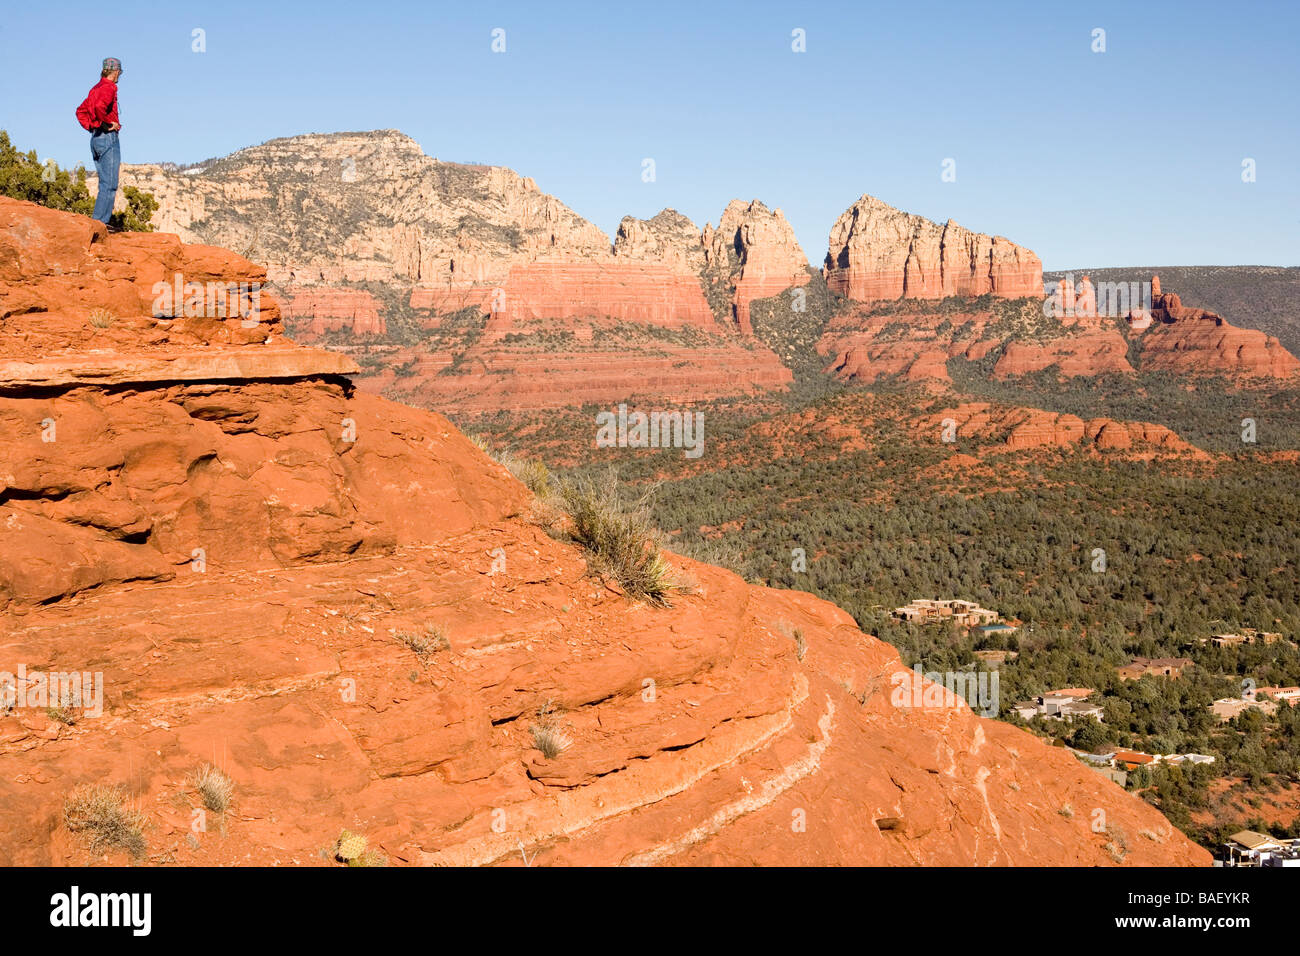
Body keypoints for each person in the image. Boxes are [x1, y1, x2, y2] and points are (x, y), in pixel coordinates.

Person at [75, 57, 123, 227]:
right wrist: (106, 124)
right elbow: (98, 108)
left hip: (95, 138)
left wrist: (92, 126)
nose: (119, 76)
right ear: (116, 72)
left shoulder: (95, 89)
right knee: (109, 184)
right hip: (107, 137)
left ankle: (98, 223)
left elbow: (80, 111)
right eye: (119, 73)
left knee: (104, 182)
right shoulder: (109, 87)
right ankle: (99, 225)